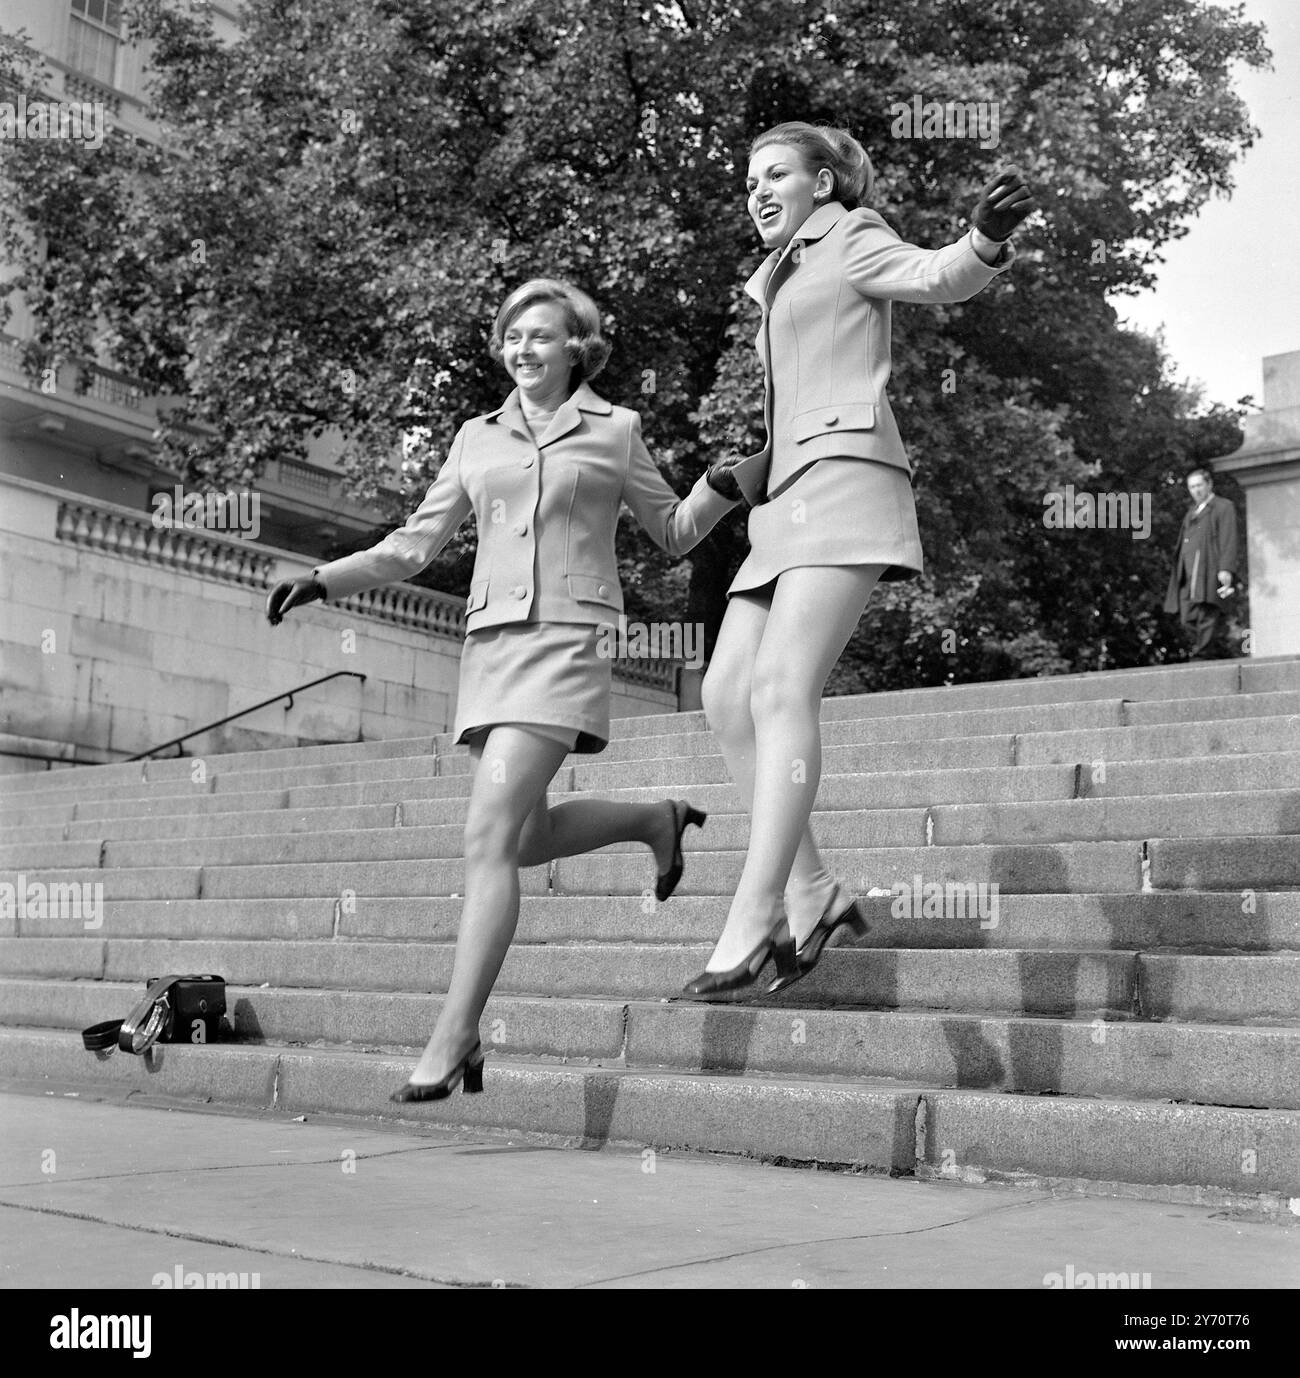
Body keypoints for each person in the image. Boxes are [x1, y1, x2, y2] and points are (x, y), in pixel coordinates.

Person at [266, 278, 750, 1098]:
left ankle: (454, 1035)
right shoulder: (473, 438)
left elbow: (672, 532)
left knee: (486, 837)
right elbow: (415, 546)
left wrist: (724, 483)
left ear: (576, 347)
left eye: (541, 336)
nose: (524, 349)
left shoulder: (615, 429)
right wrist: (326, 577)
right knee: (521, 841)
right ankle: (656, 819)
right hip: (490, 652)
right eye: (512, 336)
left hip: (567, 643)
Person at [682, 122, 1033, 998]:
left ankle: (756, 908)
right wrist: (746, 471)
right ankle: (813, 891)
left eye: (776, 174)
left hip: (845, 484)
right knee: (727, 697)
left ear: (826, 183)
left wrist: (983, 240)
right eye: (748, 179)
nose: (757, 191)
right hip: (786, 500)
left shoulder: (851, 234)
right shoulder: (782, 273)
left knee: (778, 690)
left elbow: (937, 276)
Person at [1162, 468, 1240, 660]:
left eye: (1199, 485)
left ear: (1209, 484)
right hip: (1187, 572)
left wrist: (1225, 569)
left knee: (1207, 611)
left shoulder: (1223, 506)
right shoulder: (1191, 513)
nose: (1196, 490)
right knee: (1187, 616)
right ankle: (1203, 651)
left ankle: (1203, 655)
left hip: (1208, 568)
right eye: (1192, 487)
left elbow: (1229, 538)